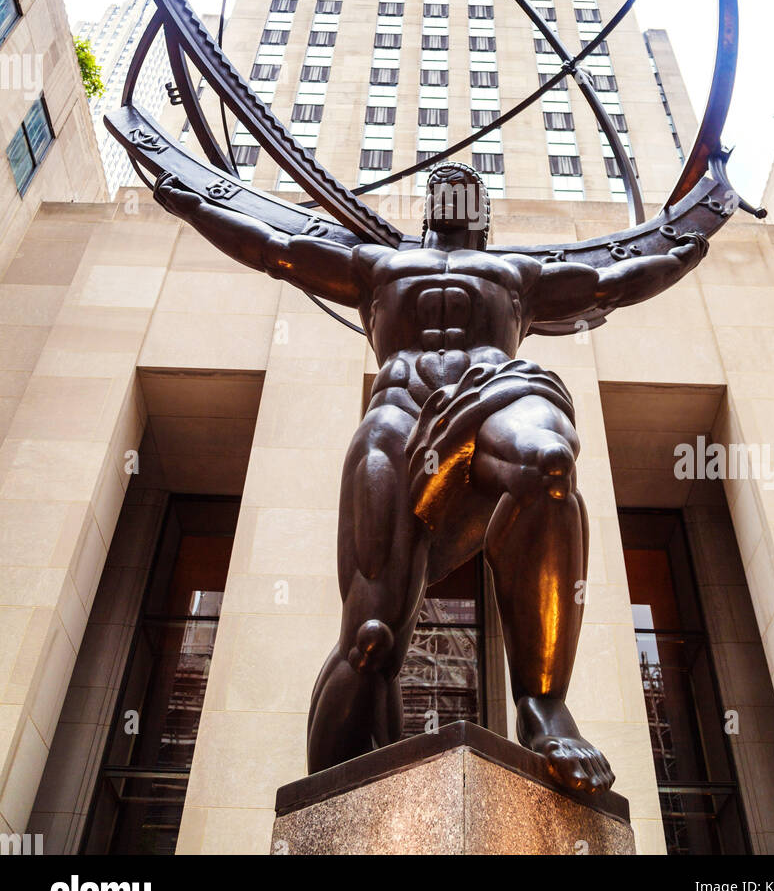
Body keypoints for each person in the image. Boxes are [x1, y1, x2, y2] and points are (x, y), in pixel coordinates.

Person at [155, 162, 707, 791]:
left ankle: (544, 705)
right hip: (398, 414)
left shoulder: (517, 271)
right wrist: (194, 207)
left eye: (470, 186)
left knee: (549, 463)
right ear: (426, 209)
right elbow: (277, 250)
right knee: (371, 638)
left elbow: (610, 283)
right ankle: (332, 802)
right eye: (445, 185)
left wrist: (685, 252)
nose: (455, 186)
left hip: (496, 394)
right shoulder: (375, 264)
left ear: (484, 213)